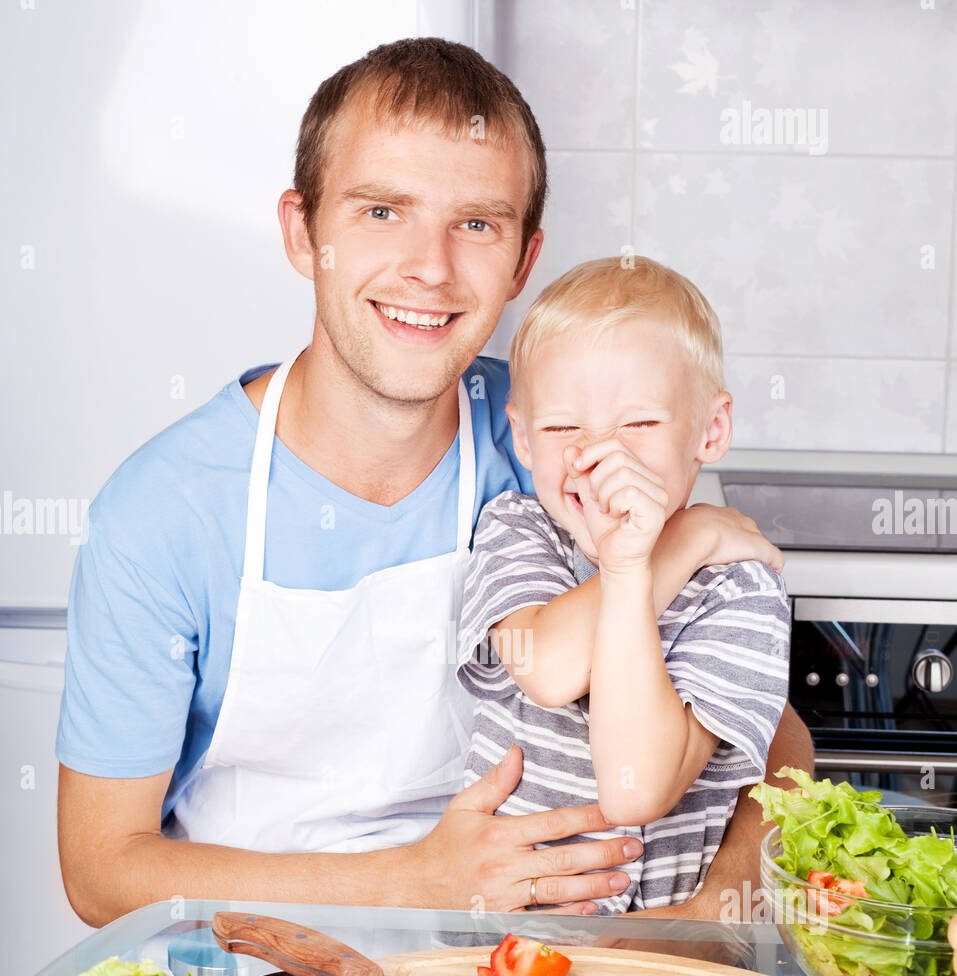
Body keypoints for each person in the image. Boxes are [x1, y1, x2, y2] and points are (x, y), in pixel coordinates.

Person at [56, 37, 811, 930]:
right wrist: (413, 880)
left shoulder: (556, 442)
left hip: (524, 973)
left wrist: (718, 904)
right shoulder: (165, 512)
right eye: (382, 211)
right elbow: (103, 872)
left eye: (477, 224)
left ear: (524, 261)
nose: (431, 268)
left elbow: (767, 730)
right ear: (304, 233)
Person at [456, 256, 790, 919]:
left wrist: (633, 566)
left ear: (711, 429)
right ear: (522, 438)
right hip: (497, 946)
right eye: (560, 428)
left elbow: (635, 790)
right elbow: (548, 669)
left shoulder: (740, 593)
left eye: (638, 424)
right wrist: (679, 542)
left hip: (662, 959)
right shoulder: (517, 530)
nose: (596, 454)